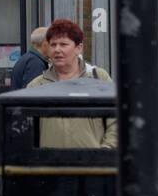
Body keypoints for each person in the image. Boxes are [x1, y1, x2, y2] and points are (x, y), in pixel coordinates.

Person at [26, 18, 117, 148]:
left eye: (63, 44)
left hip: (93, 166)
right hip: (49, 166)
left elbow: (116, 121)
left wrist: (104, 153)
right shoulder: (36, 86)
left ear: (78, 48)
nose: (57, 50)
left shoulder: (99, 78)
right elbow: (27, 131)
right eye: (53, 45)